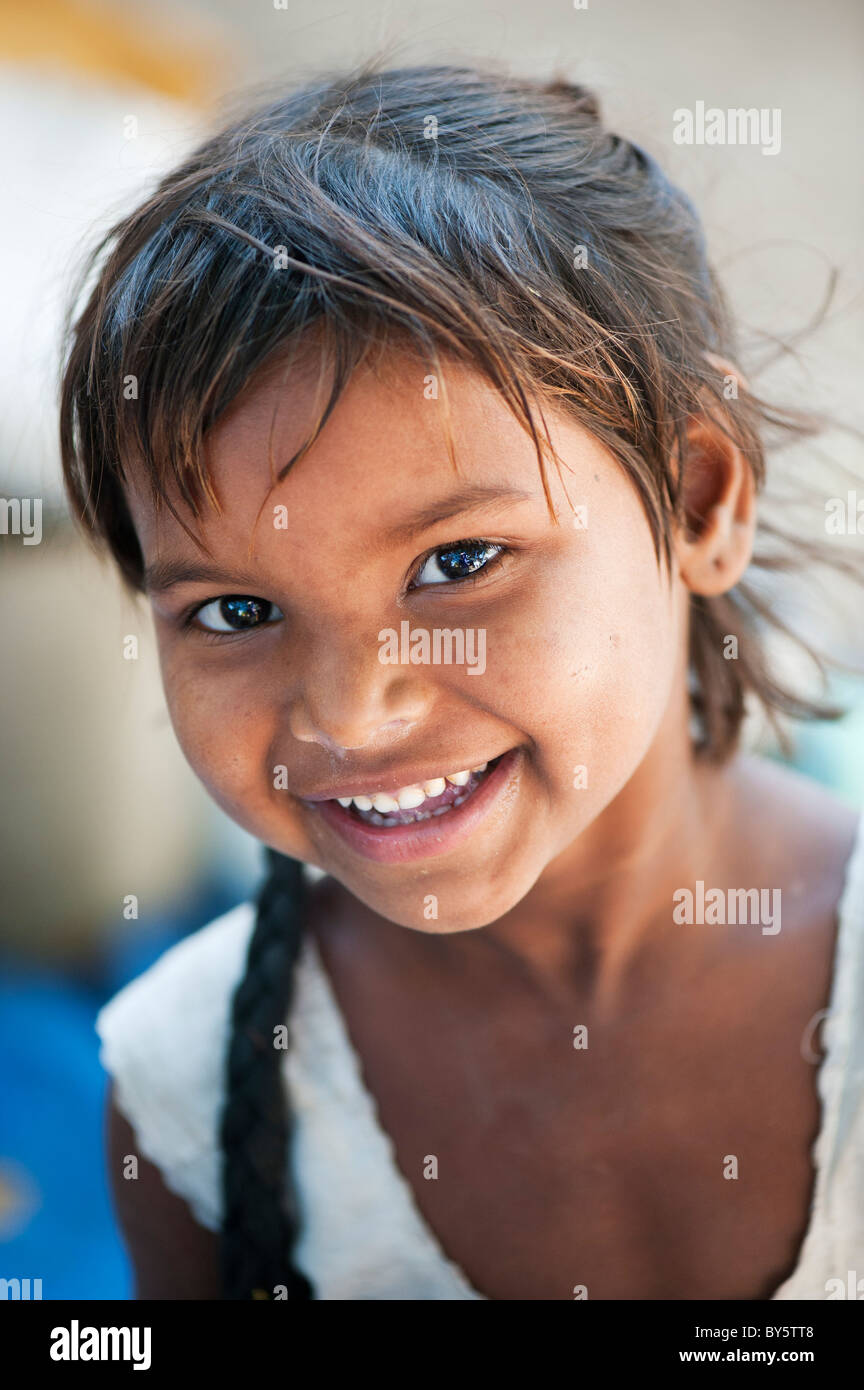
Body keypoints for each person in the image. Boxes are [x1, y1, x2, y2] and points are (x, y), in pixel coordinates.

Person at [60, 59, 864, 1300]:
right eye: (234, 609)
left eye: (459, 562)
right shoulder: (190, 1096)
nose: (350, 708)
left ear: (701, 501)